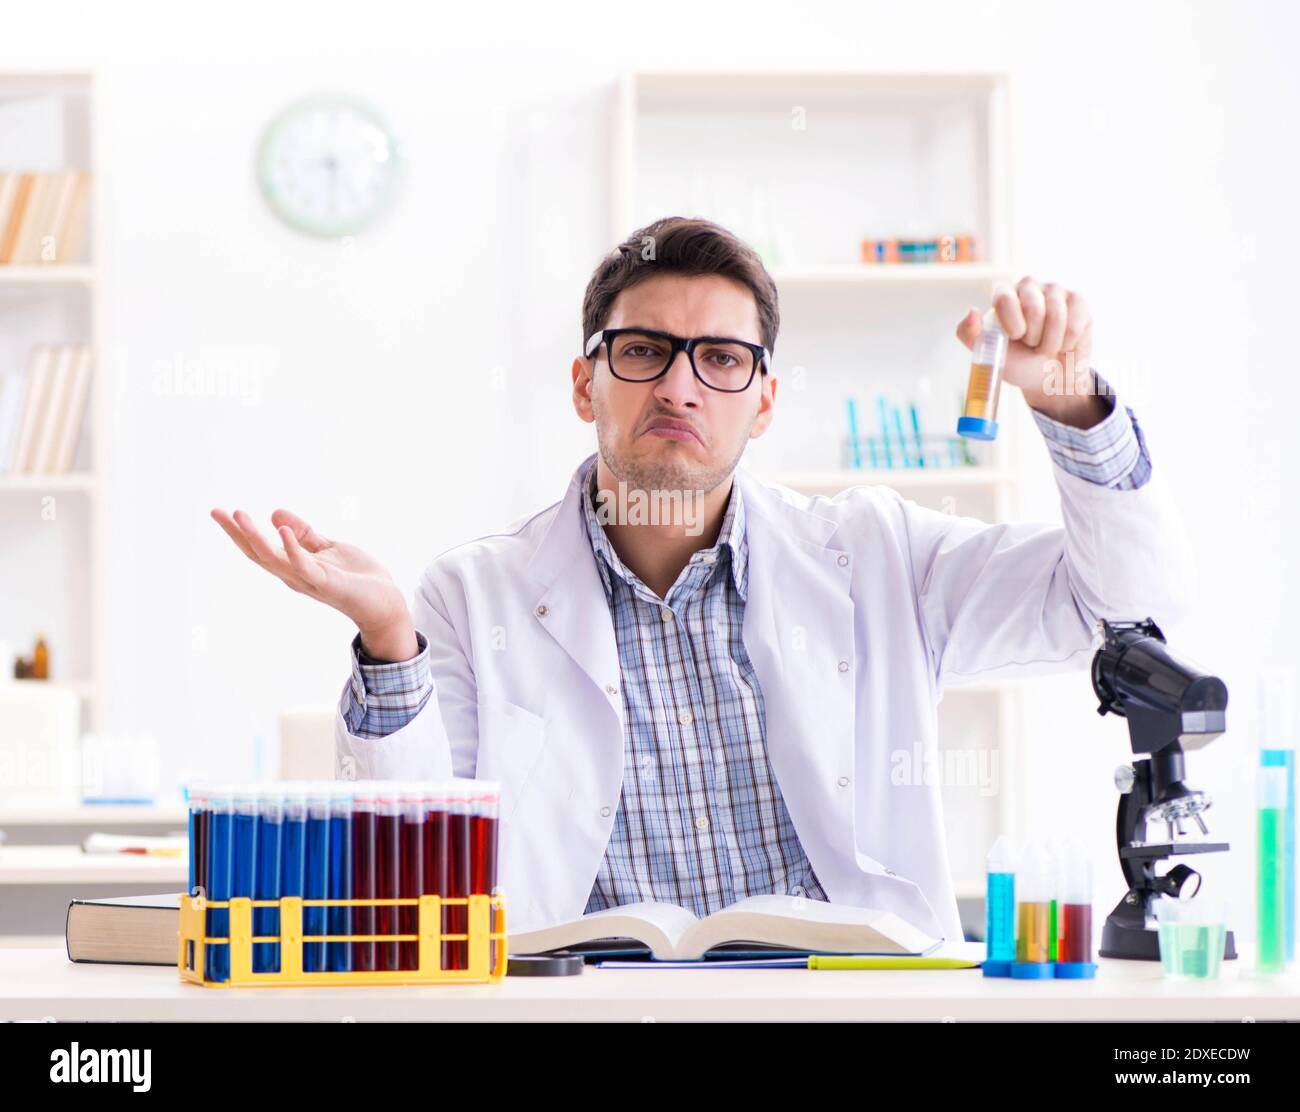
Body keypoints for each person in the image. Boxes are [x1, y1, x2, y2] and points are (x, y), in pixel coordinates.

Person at [212, 216, 1189, 939]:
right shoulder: (475, 596)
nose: (679, 385)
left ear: (762, 401)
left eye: (719, 358)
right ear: (584, 383)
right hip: (586, 1017)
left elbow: (1120, 613)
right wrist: (389, 639)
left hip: (842, 1017)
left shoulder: (878, 554)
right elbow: (411, 883)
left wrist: (1070, 404)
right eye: (642, 352)